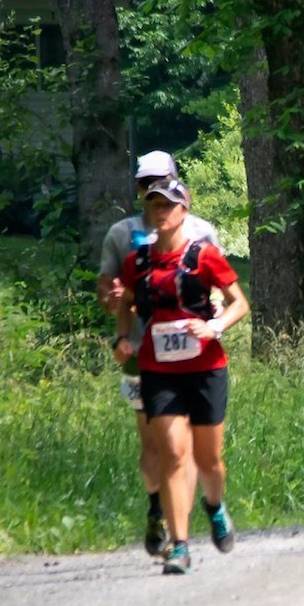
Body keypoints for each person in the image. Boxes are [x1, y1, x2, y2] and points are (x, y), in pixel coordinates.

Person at [112, 177, 249, 575]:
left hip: (206, 368)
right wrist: (123, 337)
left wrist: (214, 327)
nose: (161, 211)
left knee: (209, 461)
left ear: (184, 211)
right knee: (173, 454)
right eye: (154, 204)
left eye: (169, 204)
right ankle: (180, 546)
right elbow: (128, 303)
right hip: (158, 371)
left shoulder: (204, 256)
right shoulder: (136, 262)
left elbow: (240, 303)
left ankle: (214, 505)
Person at [95, 150, 220, 557]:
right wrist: (115, 305)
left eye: (160, 181)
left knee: (183, 448)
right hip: (142, 352)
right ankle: (157, 509)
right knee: (155, 447)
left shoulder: (201, 231)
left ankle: (180, 530)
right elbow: (108, 293)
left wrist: (213, 314)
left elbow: (217, 286)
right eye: (145, 184)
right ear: (137, 189)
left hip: (193, 349)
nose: (153, 190)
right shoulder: (121, 234)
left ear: (175, 182)